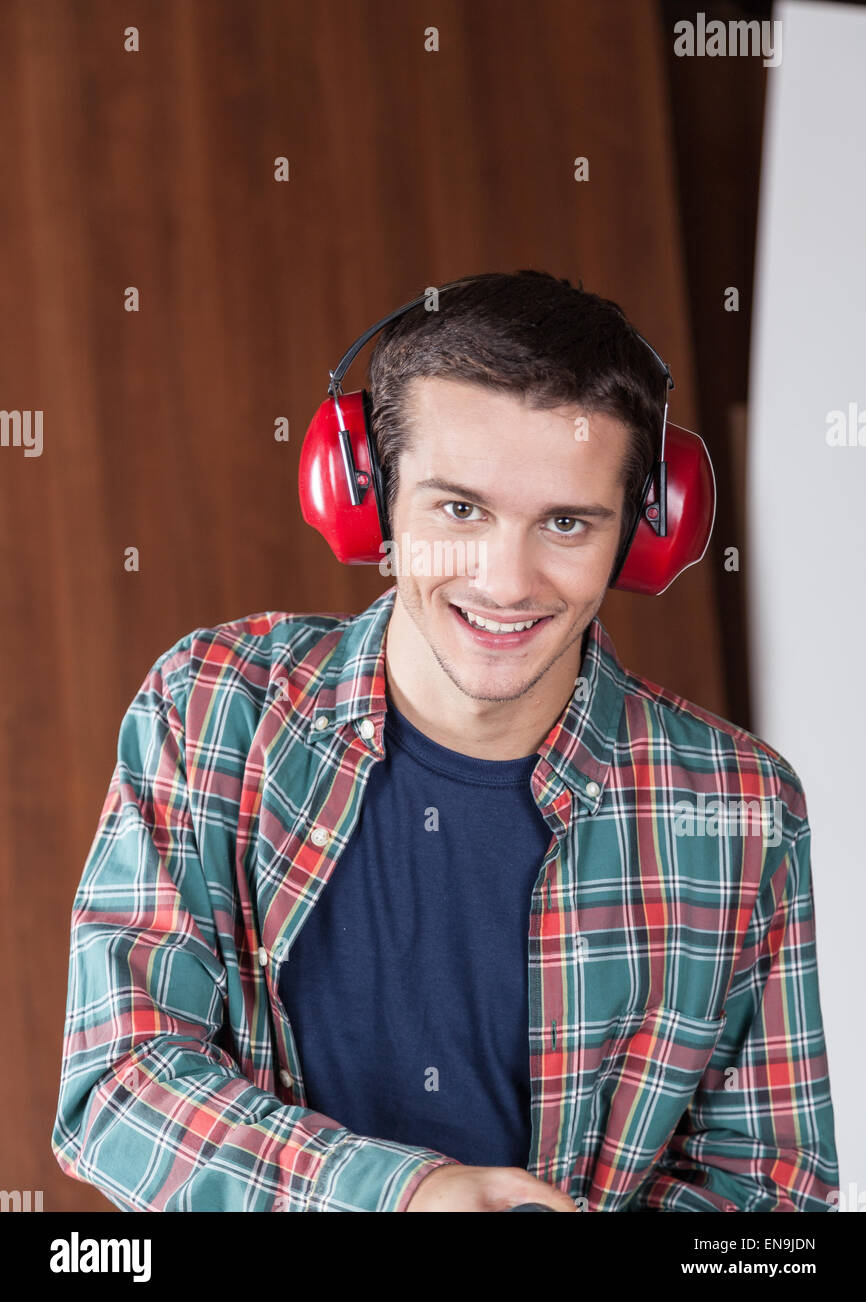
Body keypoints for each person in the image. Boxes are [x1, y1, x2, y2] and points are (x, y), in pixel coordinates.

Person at [51, 270, 838, 1212]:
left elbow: (770, 1207)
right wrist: (403, 1197)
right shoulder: (212, 705)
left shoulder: (743, 808)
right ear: (369, 504)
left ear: (644, 533)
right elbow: (119, 1086)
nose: (506, 582)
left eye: (566, 522)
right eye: (459, 510)